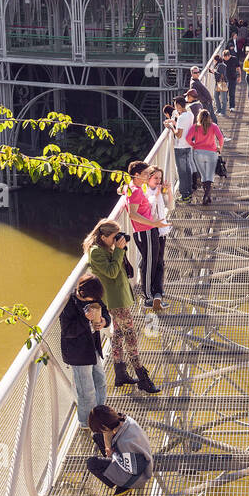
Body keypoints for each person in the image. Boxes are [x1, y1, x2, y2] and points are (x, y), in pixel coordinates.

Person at [85, 219, 160, 393]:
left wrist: (119, 249)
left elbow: (119, 268)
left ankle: (120, 374)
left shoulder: (104, 247)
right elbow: (111, 272)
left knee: (118, 334)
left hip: (119, 297)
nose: (116, 239)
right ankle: (142, 377)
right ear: (103, 237)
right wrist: (118, 250)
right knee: (131, 337)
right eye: (113, 237)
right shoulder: (96, 252)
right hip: (115, 301)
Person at [59, 272, 111, 426]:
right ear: (82, 293)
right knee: (86, 391)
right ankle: (86, 422)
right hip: (78, 354)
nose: (95, 301)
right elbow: (68, 331)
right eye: (92, 299)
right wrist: (85, 319)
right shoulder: (69, 304)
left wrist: (104, 322)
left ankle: (100, 414)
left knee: (100, 381)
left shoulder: (93, 296)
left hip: (93, 348)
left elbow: (105, 311)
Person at [121, 160, 170, 311]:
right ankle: (148, 298)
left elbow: (123, 190)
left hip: (150, 231)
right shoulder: (135, 190)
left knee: (154, 262)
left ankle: (155, 294)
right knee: (149, 264)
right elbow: (133, 215)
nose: (148, 176)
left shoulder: (134, 187)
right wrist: (154, 224)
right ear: (136, 175)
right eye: (146, 174)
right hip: (145, 232)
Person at [85, 404, 155, 496]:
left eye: (103, 430)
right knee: (97, 436)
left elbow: (133, 469)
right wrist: (108, 444)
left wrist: (112, 454)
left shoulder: (123, 443)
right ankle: (113, 474)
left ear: (105, 427)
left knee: (92, 463)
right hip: (134, 457)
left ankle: (121, 484)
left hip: (137, 476)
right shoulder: (125, 419)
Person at [144, 165, 172, 309]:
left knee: (160, 262)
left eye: (160, 178)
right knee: (151, 263)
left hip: (161, 230)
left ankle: (158, 295)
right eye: (155, 178)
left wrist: (168, 191)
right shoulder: (145, 191)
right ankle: (151, 294)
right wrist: (157, 195)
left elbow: (170, 206)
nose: (158, 181)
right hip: (150, 230)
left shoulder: (159, 191)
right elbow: (148, 208)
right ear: (147, 178)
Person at [188, 109, 224, 205]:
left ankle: (207, 196)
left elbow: (187, 138)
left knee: (204, 175)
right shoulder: (213, 126)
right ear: (209, 117)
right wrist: (220, 148)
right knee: (210, 176)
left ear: (198, 117)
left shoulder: (195, 127)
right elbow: (220, 138)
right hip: (211, 153)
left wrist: (193, 144)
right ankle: (206, 195)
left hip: (198, 153)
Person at [172, 96, 196, 202]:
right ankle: (189, 191)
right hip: (188, 145)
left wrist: (171, 127)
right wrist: (176, 122)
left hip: (180, 147)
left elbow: (178, 134)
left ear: (178, 105)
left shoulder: (181, 118)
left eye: (175, 105)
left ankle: (184, 194)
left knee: (182, 172)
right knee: (187, 170)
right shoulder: (190, 114)